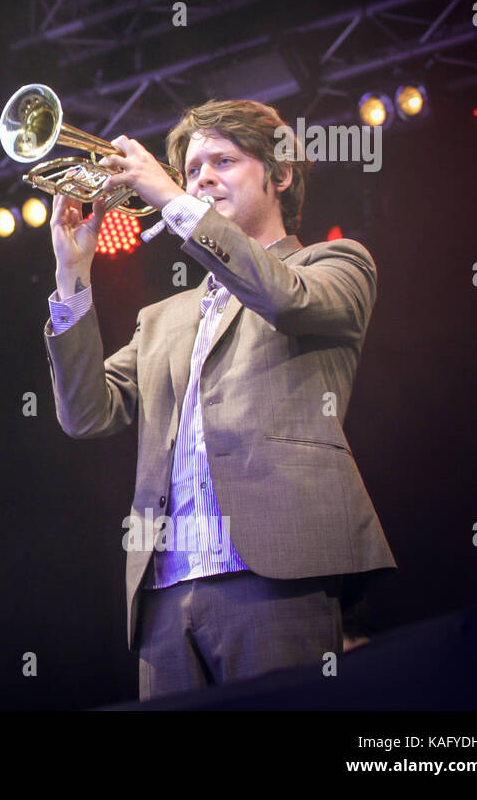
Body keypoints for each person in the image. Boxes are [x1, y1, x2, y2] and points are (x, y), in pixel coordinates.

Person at [44, 99, 395, 701]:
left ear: (279, 174)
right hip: (165, 593)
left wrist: (171, 199)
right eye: (190, 169)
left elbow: (282, 298)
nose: (201, 177)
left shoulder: (335, 264)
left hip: (275, 573)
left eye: (223, 161)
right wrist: (72, 275)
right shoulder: (161, 319)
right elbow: (85, 414)